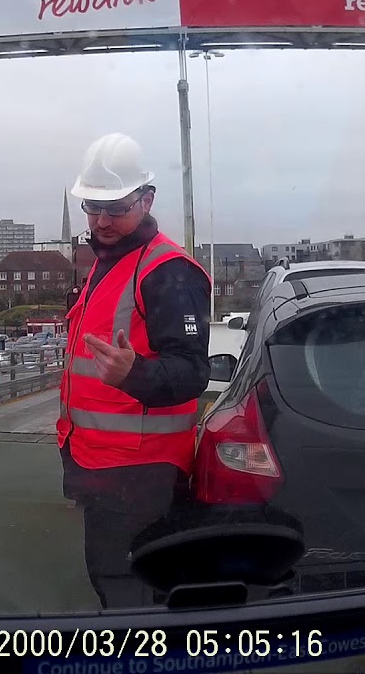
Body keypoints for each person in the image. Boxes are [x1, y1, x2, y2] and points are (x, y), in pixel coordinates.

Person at [57, 132, 213, 609]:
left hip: (140, 474)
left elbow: (192, 372)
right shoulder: (111, 261)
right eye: (92, 207)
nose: (101, 220)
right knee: (115, 584)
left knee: (132, 594)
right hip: (101, 465)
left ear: (146, 201)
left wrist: (135, 374)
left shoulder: (167, 272)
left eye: (116, 208)